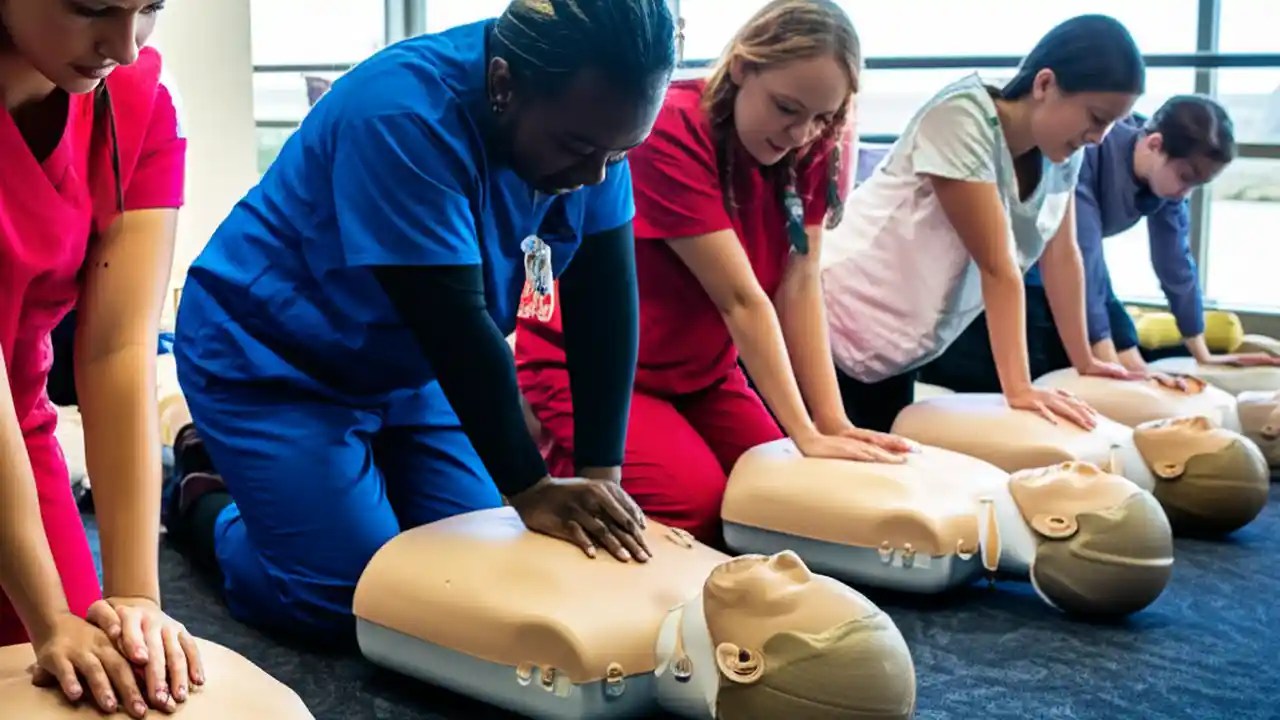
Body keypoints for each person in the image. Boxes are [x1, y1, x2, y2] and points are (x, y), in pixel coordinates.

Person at [167, 0, 677, 641]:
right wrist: (533, 486)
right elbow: (455, 325)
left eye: (620, 153)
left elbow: (605, 299)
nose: (595, 175)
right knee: (350, 596)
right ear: (502, 85)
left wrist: (604, 475)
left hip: (410, 365)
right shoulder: (400, 113)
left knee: (462, 573)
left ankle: (307, 489)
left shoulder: (595, 127)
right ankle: (201, 494)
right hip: (272, 355)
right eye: (580, 150)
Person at [515, 0, 913, 547]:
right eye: (786, 108)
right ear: (744, 67)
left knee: (782, 495)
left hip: (703, 372)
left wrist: (831, 424)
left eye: (821, 117)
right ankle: (555, 461)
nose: (800, 134)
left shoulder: (812, 143)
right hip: (596, 370)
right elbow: (742, 299)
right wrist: (802, 431)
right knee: (696, 506)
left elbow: (799, 286)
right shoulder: (672, 128)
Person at [0, 0, 204, 717]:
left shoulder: (137, 96)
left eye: (148, 8)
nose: (122, 43)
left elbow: (118, 350)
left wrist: (136, 597)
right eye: (90, 8)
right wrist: (46, 618)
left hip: (17, 433)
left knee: (105, 670)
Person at [821, 14, 1148, 434]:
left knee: (874, 470)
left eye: (1111, 125)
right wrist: (1020, 389)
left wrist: (1085, 359)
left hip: (896, 347)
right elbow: (997, 264)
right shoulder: (962, 118)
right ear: (1045, 85)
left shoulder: (1063, 153)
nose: (1099, 138)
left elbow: (1063, 256)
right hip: (839, 311)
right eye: (1097, 118)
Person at [922, 94, 1278, 391]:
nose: (1185, 191)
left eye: (1196, 185)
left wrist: (1201, 351)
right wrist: (1111, 369)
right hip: (1019, 254)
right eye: (1185, 177)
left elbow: (1175, 262)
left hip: (1071, 262)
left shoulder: (1169, 185)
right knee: (1047, 342)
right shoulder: (1089, 154)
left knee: (1125, 335)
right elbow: (1081, 255)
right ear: (1155, 144)